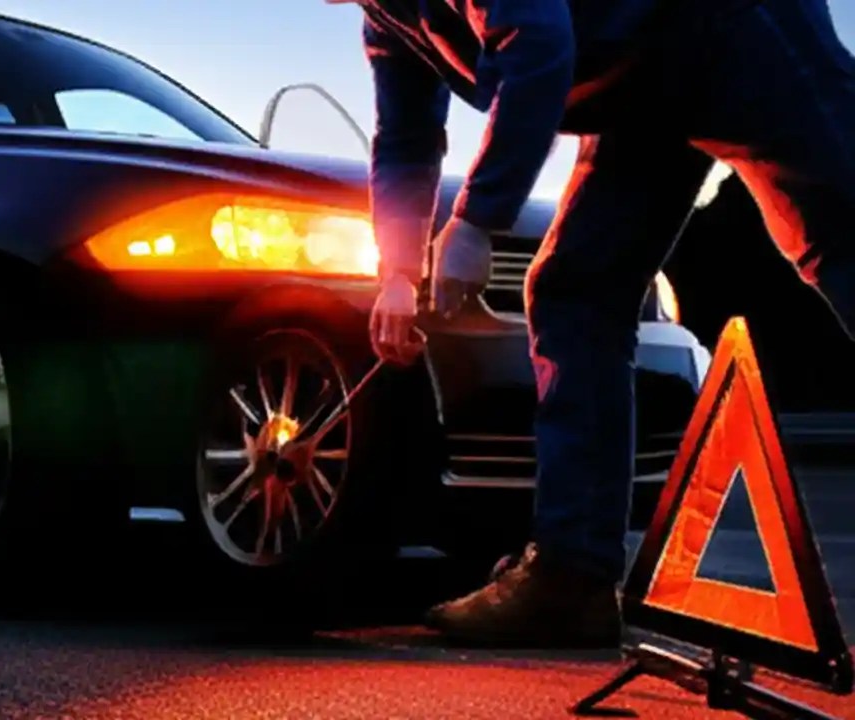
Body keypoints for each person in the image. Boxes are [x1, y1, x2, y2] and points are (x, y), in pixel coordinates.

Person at [337, 0, 855, 647]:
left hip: (740, 28)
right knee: (573, 292)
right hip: (635, 87)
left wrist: (476, 220)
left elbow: (539, 47)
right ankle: (571, 578)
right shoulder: (386, 19)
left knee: (844, 235)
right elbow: (406, 137)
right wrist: (398, 271)